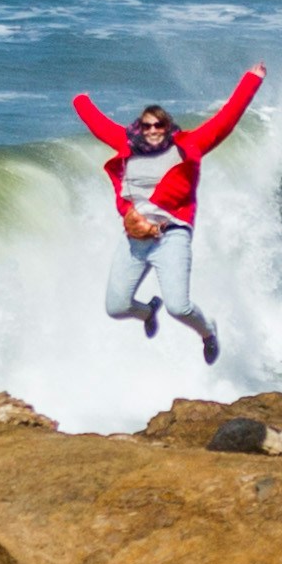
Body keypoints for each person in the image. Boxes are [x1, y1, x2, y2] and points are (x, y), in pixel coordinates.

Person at [73, 66, 260, 361]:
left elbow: (227, 119)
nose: (152, 131)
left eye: (158, 125)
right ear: (140, 127)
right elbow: (97, 124)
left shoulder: (189, 145)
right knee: (117, 307)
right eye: (146, 126)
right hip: (135, 237)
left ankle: (208, 331)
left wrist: (252, 80)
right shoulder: (127, 143)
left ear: (167, 126)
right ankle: (148, 311)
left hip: (171, 237)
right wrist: (79, 98)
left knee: (179, 307)